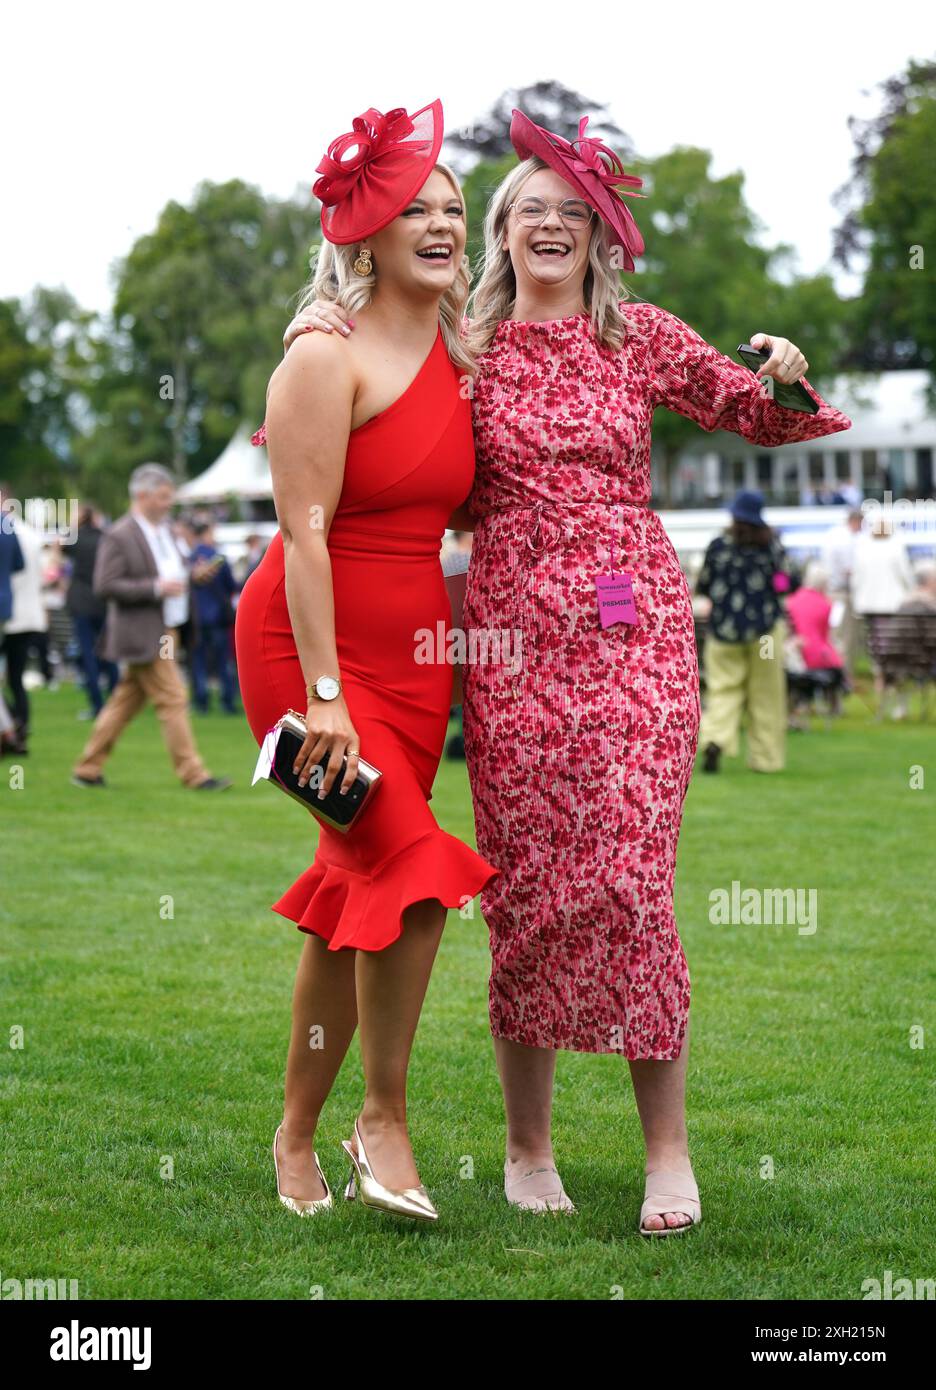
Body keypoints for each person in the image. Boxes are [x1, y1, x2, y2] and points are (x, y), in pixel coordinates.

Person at [279, 107, 853, 1233]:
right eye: (527, 212)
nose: (549, 227)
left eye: (570, 215)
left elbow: (758, 414)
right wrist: (322, 306)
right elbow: (370, 368)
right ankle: (526, 1146)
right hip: (507, 642)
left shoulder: (639, 337)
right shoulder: (464, 346)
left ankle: (666, 1154)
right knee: (530, 890)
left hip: (634, 627)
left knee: (634, 879)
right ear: (501, 233)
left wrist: (785, 371)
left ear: (600, 237)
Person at [236, 100, 500, 1222]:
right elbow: (303, 533)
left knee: (362, 894)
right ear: (368, 231)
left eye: (454, 209)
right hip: (307, 657)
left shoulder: (454, 343)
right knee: (416, 877)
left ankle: (296, 1136)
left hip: (416, 664)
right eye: (417, 210)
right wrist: (329, 698)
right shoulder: (321, 352)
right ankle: (378, 1119)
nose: (443, 225)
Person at [71, 464, 231, 791]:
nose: (167, 503)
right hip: (145, 632)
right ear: (141, 495)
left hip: (169, 629)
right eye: (162, 497)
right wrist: (155, 587)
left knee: (125, 702)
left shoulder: (166, 531)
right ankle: (194, 775)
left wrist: (192, 575)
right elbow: (106, 585)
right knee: (173, 697)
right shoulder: (120, 534)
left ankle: (87, 768)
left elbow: (173, 573)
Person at [697, 490, 804, 773]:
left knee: (723, 690)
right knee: (767, 696)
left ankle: (715, 739)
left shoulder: (718, 546)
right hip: (764, 631)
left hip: (723, 630)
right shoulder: (770, 546)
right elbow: (786, 584)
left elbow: (705, 585)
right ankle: (765, 759)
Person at [851, 514, 916, 718]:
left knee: (880, 656)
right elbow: (907, 577)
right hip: (893, 608)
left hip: (871, 609)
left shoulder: (863, 548)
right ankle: (897, 701)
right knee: (894, 656)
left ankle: (884, 698)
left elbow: (856, 580)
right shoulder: (895, 547)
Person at [1, 493, 49, 750]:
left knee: (12, 676)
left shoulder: (10, 530)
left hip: (13, 613)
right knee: (16, 677)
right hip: (27, 611)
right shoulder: (25, 532)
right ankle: (19, 726)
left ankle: (10, 730)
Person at [66, 504, 120, 719]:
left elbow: (56, 547)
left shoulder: (75, 539)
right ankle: (116, 701)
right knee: (109, 651)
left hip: (81, 603)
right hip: (103, 602)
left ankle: (97, 704)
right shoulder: (105, 538)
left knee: (87, 653)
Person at [785, 560, 846, 722]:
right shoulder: (826, 604)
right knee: (838, 658)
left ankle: (800, 707)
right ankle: (835, 705)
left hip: (796, 653)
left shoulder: (792, 600)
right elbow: (827, 635)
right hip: (817, 656)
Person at [187, 521, 238, 714]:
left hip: (197, 618)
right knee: (222, 661)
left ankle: (201, 701)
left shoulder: (190, 557)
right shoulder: (218, 558)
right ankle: (227, 701)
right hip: (217, 617)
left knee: (198, 661)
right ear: (207, 533)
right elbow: (232, 585)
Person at [821, 507, 863, 678]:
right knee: (846, 636)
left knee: (835, 634)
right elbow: (849, 571)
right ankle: (844, 675)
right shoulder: (847, 540)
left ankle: (834, 671)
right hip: (843, 593)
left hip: (832, 592)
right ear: (855, 521)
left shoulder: (833, 534)